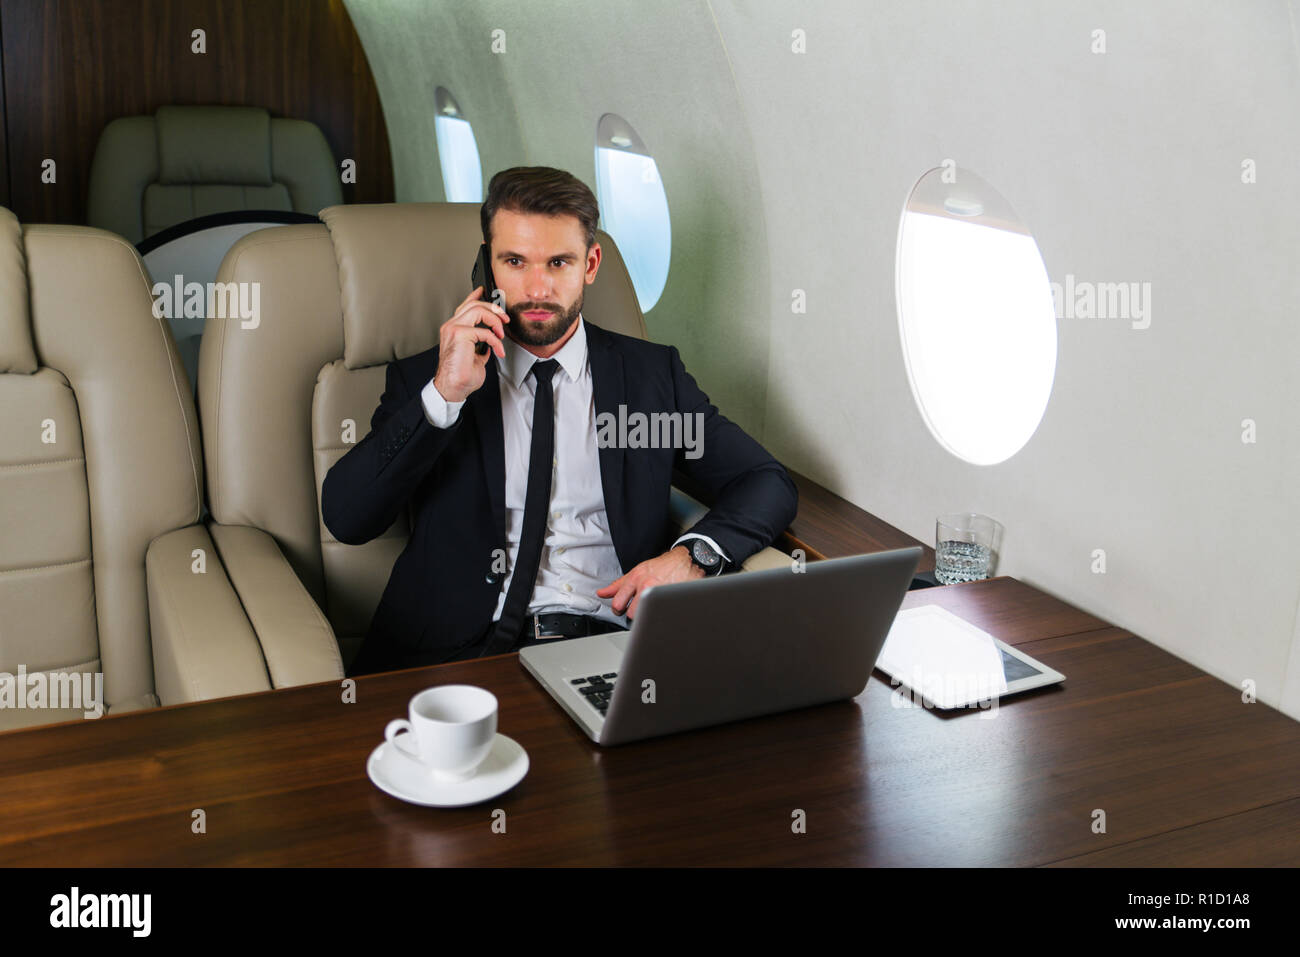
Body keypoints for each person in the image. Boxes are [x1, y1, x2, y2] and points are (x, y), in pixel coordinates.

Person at [323, 166, 797, 675]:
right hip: (456, 656)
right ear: (487, 268)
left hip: (611, 646)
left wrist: (692, 556)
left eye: (558, 262)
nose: (538, 287)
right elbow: (348, 518)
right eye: (515, 262)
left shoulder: (648, 379)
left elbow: (764, 481)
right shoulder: (431, 377)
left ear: (590, 264)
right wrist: (445, 394)